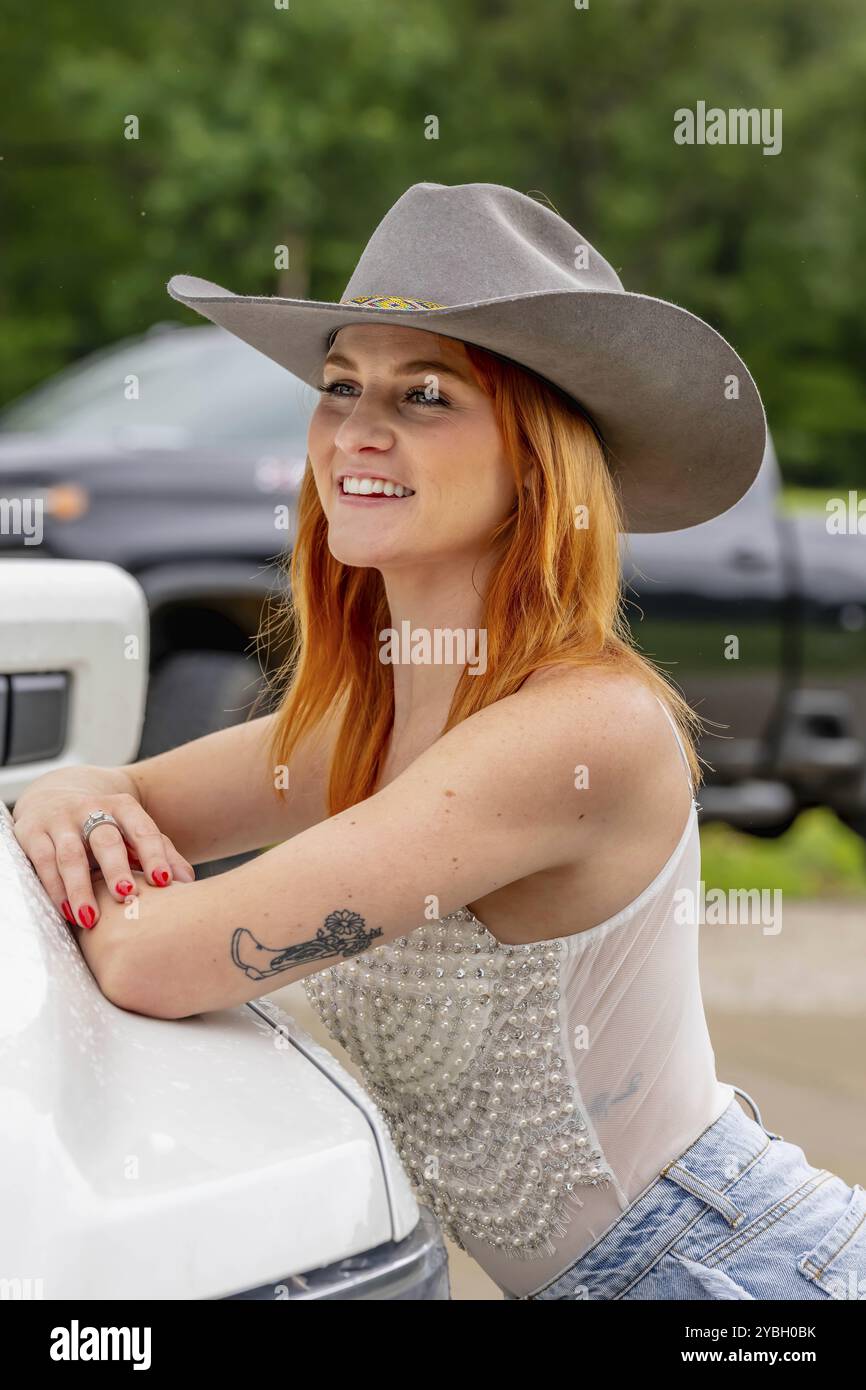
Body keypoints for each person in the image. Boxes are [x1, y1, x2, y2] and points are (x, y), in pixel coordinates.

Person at [13, 182, 865, 1300]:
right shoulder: (378, 707)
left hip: (732, 1274)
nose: (357, 428)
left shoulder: (578, 729)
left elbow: (150, 959)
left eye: (424, 393)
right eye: (338, 386)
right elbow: (97, 789)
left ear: (535, 456)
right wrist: (67, 800)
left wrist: (99, 859)